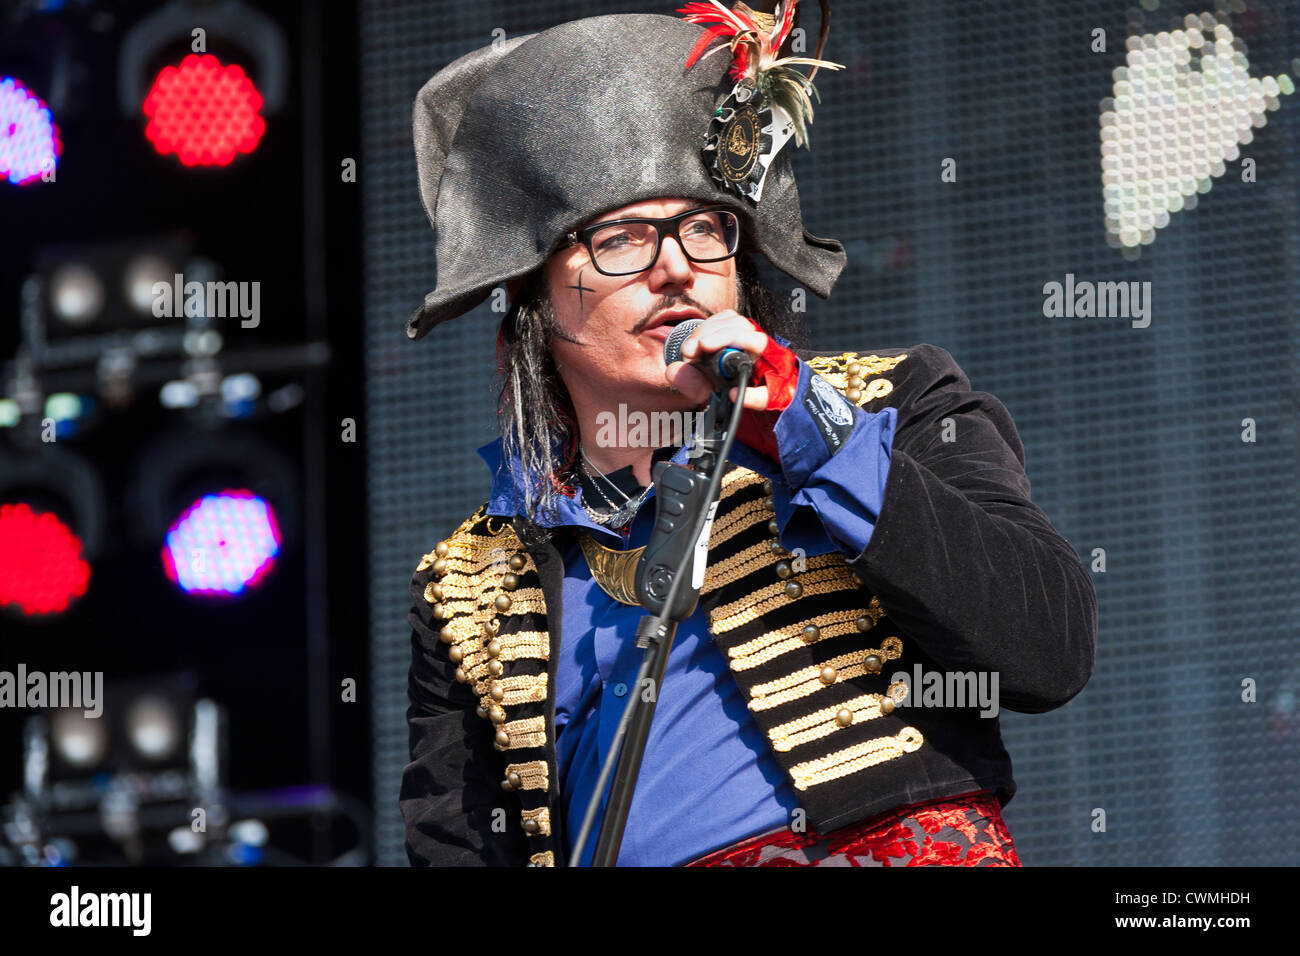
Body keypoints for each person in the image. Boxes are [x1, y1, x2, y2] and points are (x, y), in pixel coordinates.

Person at [400, 3, 1097, 867]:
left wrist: (815, 432)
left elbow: (1048, 651)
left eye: (703, 226)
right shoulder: (469, 583)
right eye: (620, 238)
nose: (676, 265)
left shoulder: (896, 403)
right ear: (535, 307)